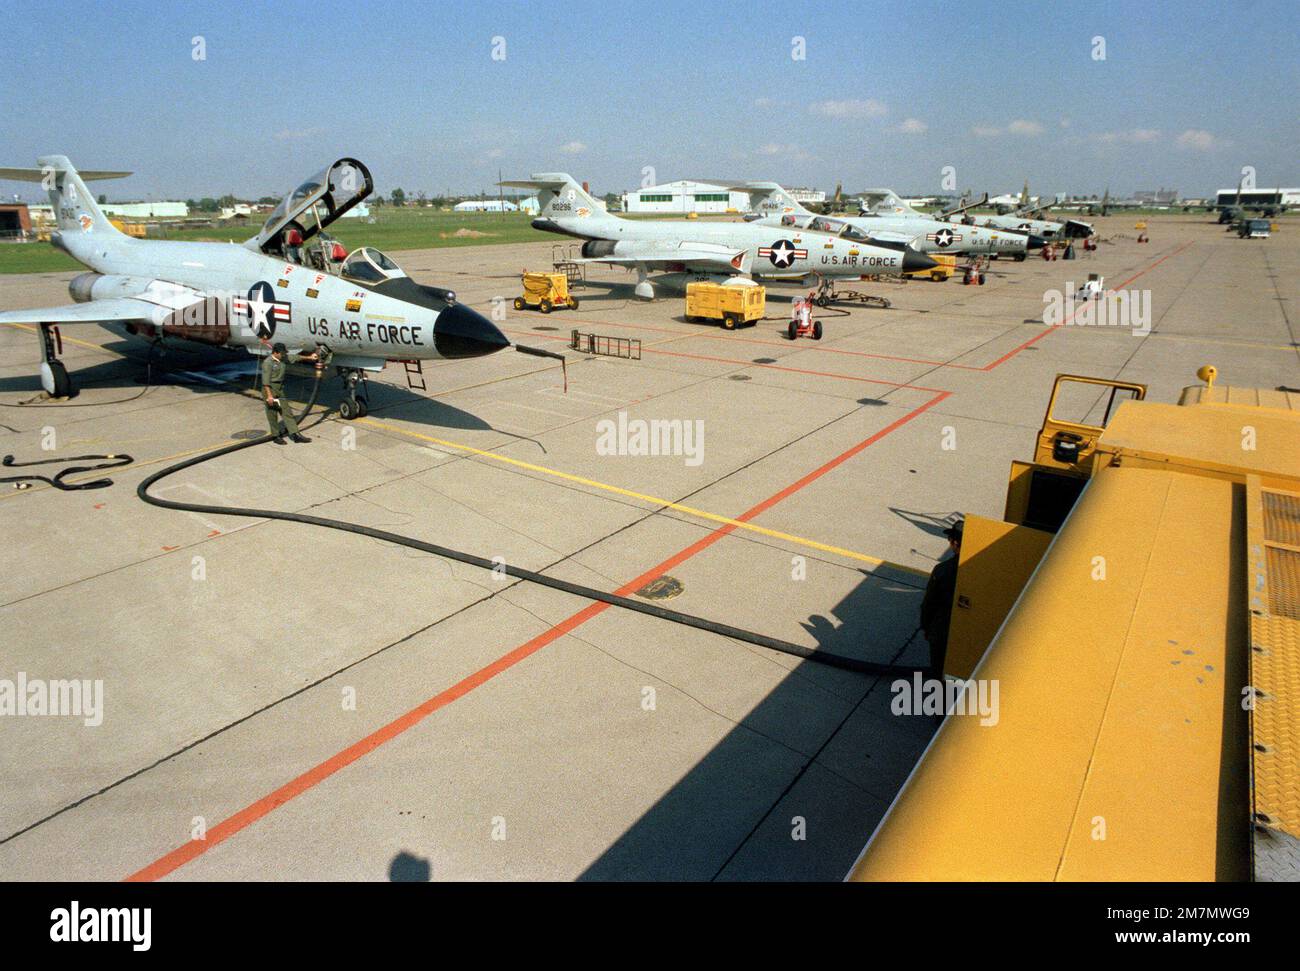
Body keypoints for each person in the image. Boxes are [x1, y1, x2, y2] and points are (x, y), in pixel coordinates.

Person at [919, 520, 963, 678]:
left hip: (942, 631)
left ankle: (940, 700)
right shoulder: (982, 570)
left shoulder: (942, 571)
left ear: (955, 543)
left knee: (939, 670)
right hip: (966, 633)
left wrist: (925, 627)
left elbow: (928, 604)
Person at [262, 342, 319, 444]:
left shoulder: (283, 358)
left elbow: (296, 357)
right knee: (272, 413)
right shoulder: (268, 363)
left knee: (286, 412)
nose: (284, 355)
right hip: (270, 388)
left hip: (279, 388)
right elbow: (265, 382)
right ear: (275, 352)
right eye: (282, 353)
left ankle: (295, 434)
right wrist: (269, 396)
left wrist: (310, 357)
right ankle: (276, 436)